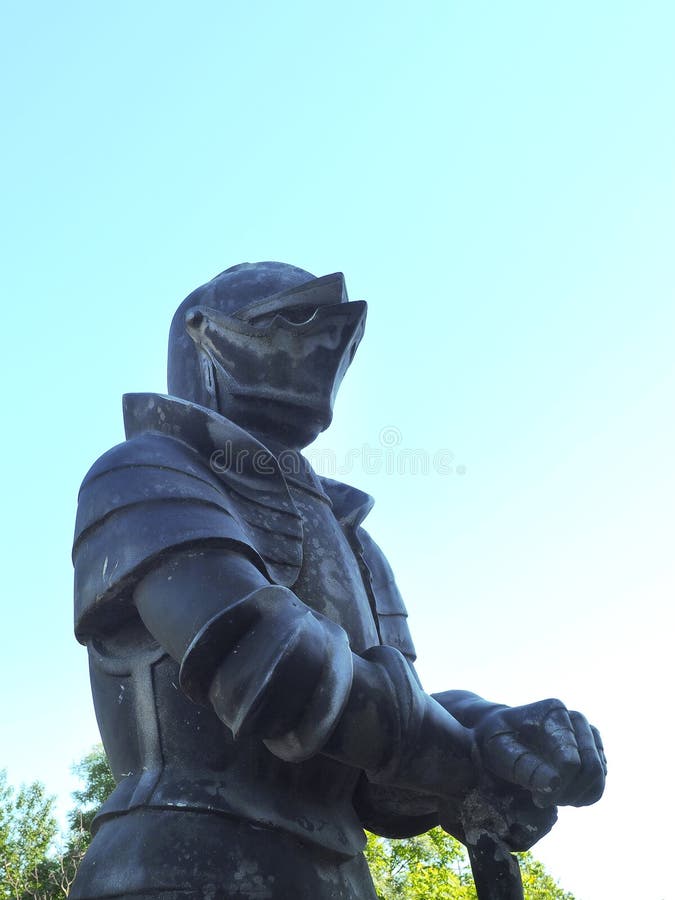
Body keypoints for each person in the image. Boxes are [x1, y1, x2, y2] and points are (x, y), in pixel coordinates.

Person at [72, 262, 606, 899]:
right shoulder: (141, 474)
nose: (327, 347)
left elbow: (380, 764)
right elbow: (263, 660)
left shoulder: (351, 535)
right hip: (178, 871)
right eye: (294, 320)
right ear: (203, 334)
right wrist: (462, 761)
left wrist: (499, 737)